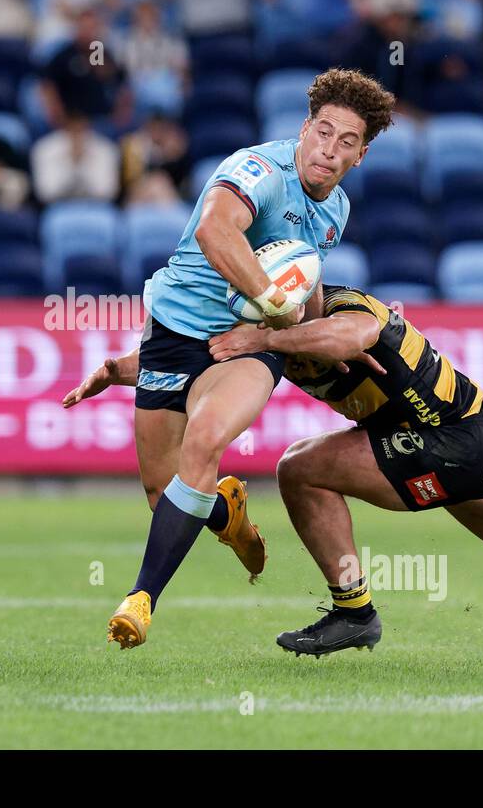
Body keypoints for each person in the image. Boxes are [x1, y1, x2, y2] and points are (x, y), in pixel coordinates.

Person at [64, 282, 483, 656]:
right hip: (459, 431)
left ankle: (355, 611)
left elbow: (351, 338)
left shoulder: (345, 312)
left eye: (286, 304)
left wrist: (264, 338)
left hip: (448, 438)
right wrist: (118, 372)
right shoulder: (278, 327)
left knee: (300, 469)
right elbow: (204, 359)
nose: (277, 313)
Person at [65, 68, 396, 649]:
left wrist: (322, 342)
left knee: (207, 436)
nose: (329, 149)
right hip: (173, 334)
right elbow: (217, 231)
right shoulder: (258, 170)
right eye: (323, 132)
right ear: (305, 128)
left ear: (361, 155)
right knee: (162, 490)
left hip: (247, 345)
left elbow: (307, 282)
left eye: (347, 142)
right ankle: (228, 514)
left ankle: (141, 600)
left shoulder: (336, 208)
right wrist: (127, 365)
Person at [30, 109, 120, 204]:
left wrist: (83, 163)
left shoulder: (106, 148)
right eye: (72, 125)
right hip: (58, 207)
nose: (77, 130)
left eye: (81, 125)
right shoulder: (44, 148)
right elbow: (45, 193)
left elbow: (108, 191)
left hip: (98, 207)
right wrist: (70, 162)